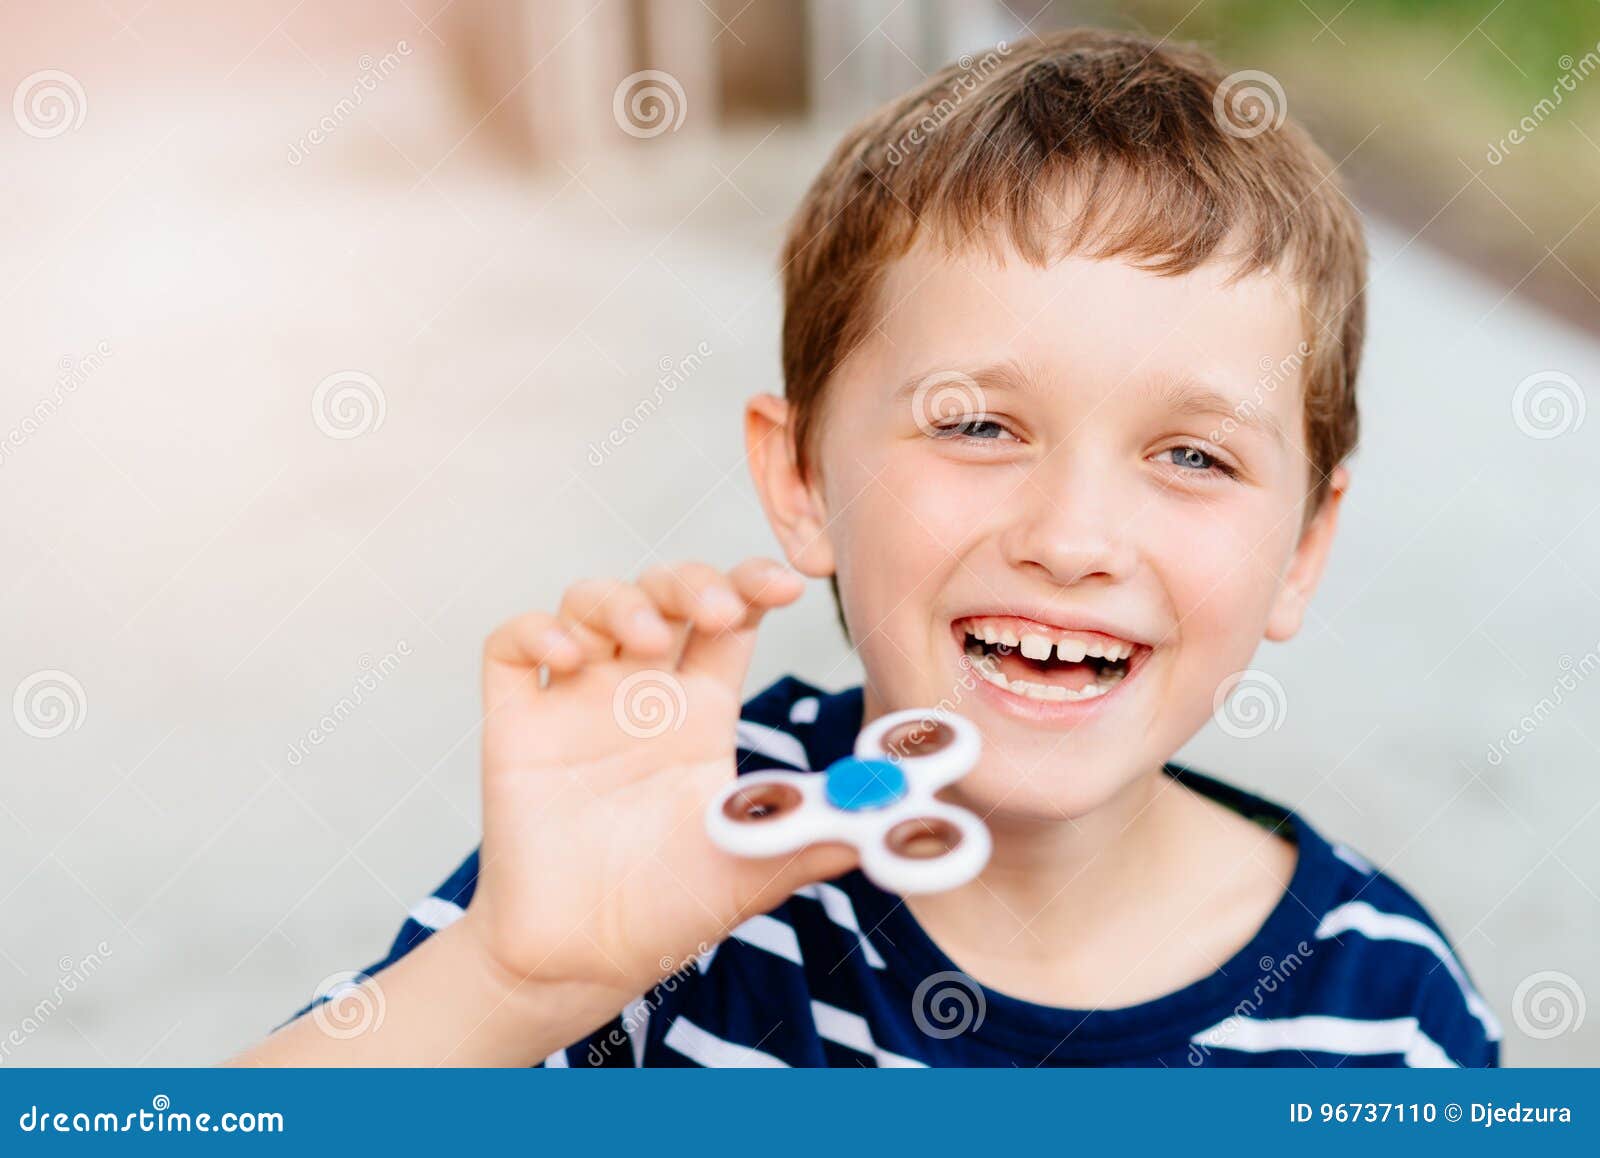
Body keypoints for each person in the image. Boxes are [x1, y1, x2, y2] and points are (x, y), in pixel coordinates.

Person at [236, 27, 1498, 1068]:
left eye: (1192, 456)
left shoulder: (1387, 1008)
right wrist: (513, 978)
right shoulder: (675, 848)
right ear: (798, 477)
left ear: (1300, 549)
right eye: (978, 424)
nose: (1070, 539)